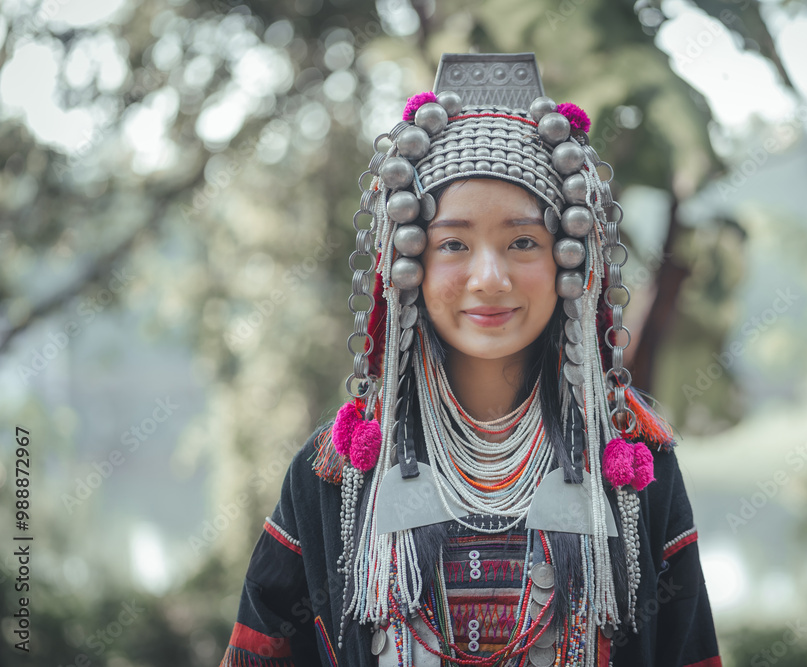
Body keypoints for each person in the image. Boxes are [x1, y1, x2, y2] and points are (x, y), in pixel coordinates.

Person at [219, 53, 721, 667]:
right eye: (454, 244)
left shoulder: (635, 468)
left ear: (568, 259)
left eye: (522, 242)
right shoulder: (334, 474)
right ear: (409, 268)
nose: (489, 278)